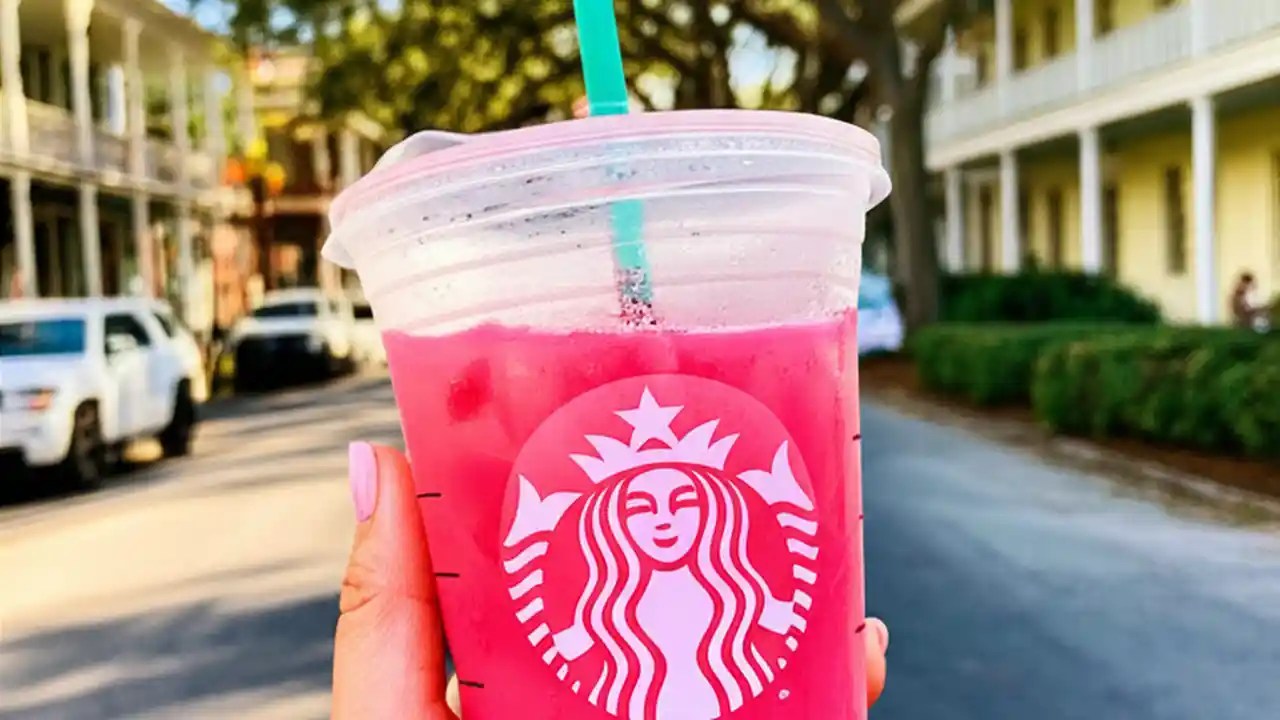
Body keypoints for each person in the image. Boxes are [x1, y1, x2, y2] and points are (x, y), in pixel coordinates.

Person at [332, 442, 890, 719]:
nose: (664, 520)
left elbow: (803, 626)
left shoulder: (755, 604)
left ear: (717, 512)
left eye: (685, 501)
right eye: (641, 506)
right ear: (613, 526)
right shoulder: (595, 619)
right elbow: (532, 636)